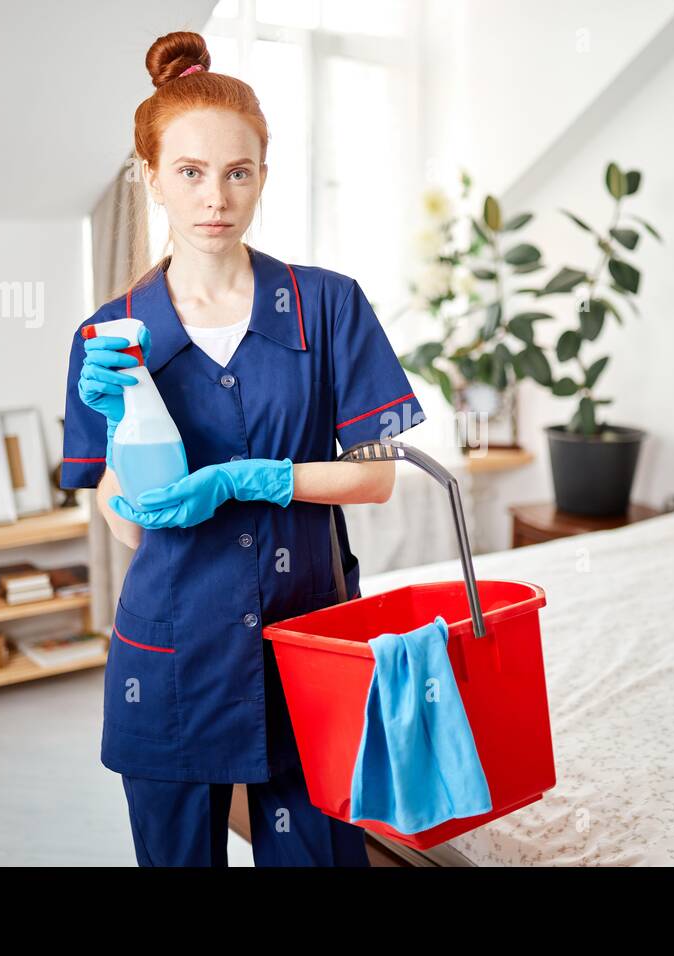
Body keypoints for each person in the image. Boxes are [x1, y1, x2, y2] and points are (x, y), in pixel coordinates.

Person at [60, 31, 425, 866]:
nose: (214, 197)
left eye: (238, 171)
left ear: (263, 172)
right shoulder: (108, 339)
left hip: (310, 644)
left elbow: (377, 484)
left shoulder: (328, 306)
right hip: (170, 655)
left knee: (320, 857)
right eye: (189, 171)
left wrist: (249, 480)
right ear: (151, 177)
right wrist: (122, 432)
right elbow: (128, 528)